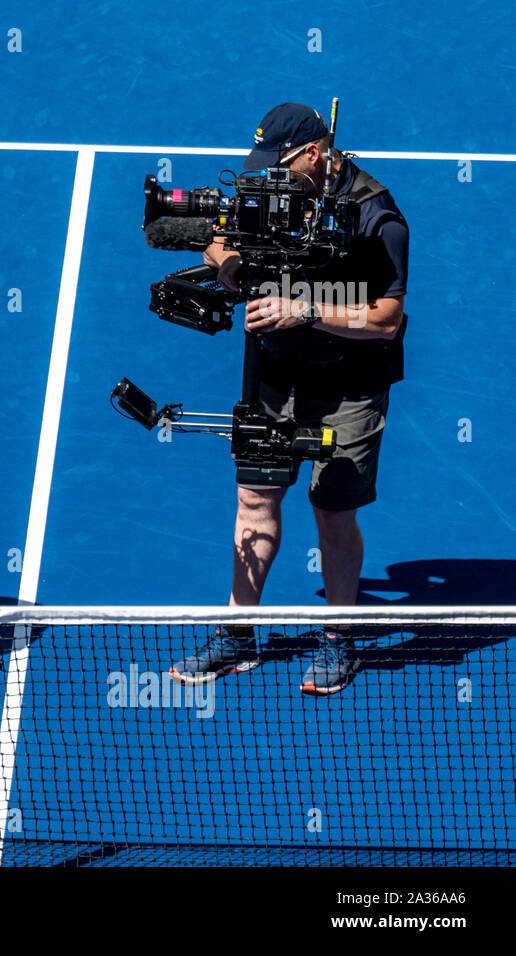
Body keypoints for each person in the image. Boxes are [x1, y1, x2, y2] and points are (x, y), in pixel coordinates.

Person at [170, 103, 410, 695]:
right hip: (275, 373)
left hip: (349, 385)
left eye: (279, 161)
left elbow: (386, 320)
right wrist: (227, 266)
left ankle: (338, 636)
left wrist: (305, 309)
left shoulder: (378, 218)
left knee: (332, 510)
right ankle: (237, 633)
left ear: (314, 152)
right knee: (254, 497)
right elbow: (218, 239)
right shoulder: (273, 188)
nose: (268, 173)